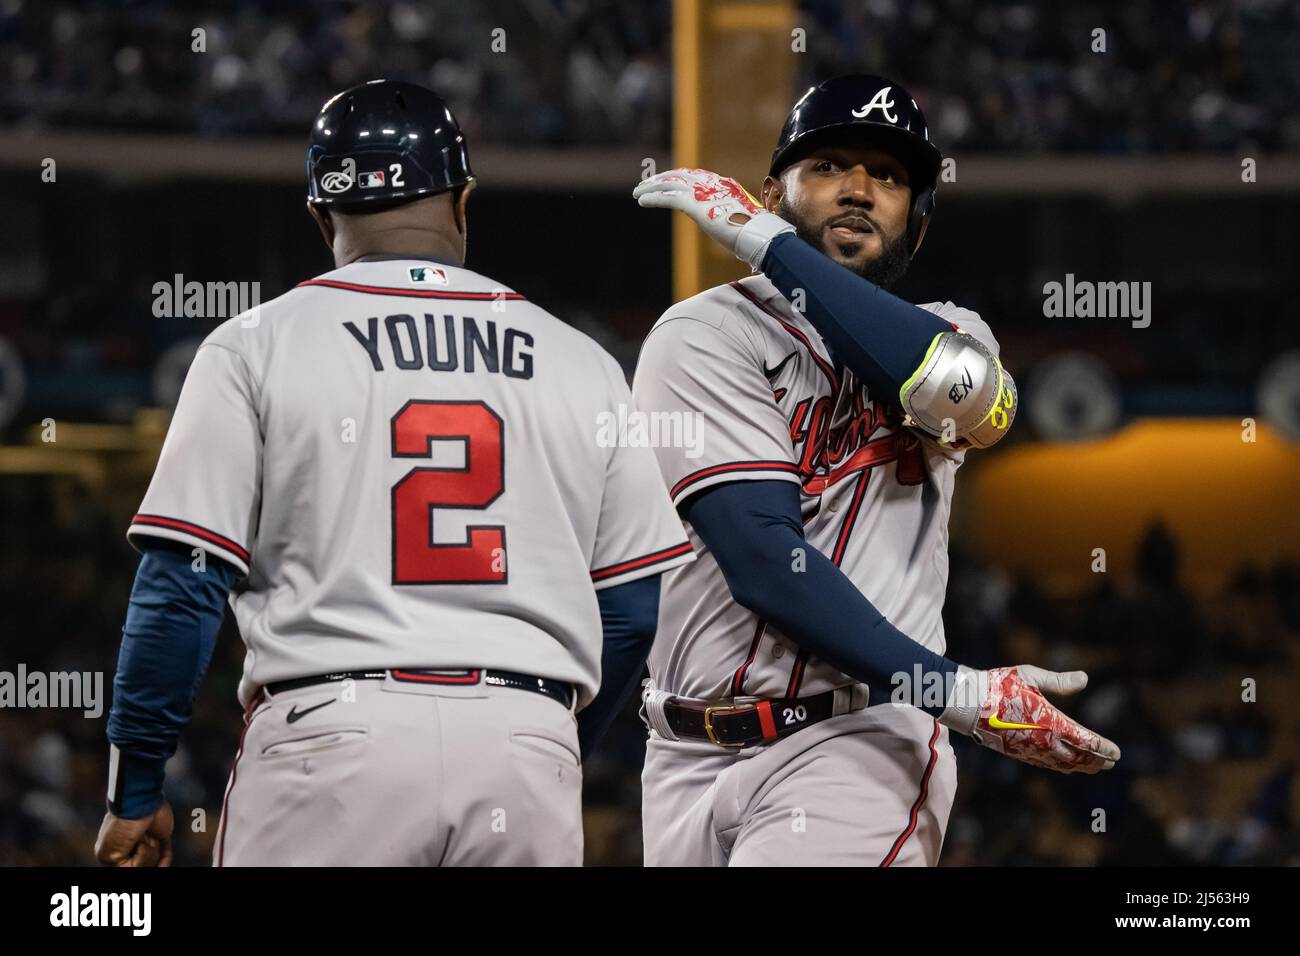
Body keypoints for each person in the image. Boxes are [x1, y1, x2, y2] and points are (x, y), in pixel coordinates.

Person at [95, 79, 691, 867]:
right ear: (464, 200)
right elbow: (633, 611)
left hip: (330, 741)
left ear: (320, 214)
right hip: (524, 746)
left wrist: (135, 789)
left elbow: (181, 586)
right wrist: (549, 742)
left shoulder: (254, 345)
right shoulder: (582, 362)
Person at [630, 74, 1118, 867]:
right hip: (680, 754)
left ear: (915, 229)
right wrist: (959, 690)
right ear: (768, 192)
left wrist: (769, 246)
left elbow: (981, 407)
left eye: (888, 177)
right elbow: (761, 557)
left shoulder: (955, 334)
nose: (858, 189)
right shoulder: (703, 333)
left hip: (858, 736)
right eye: (828, 166)